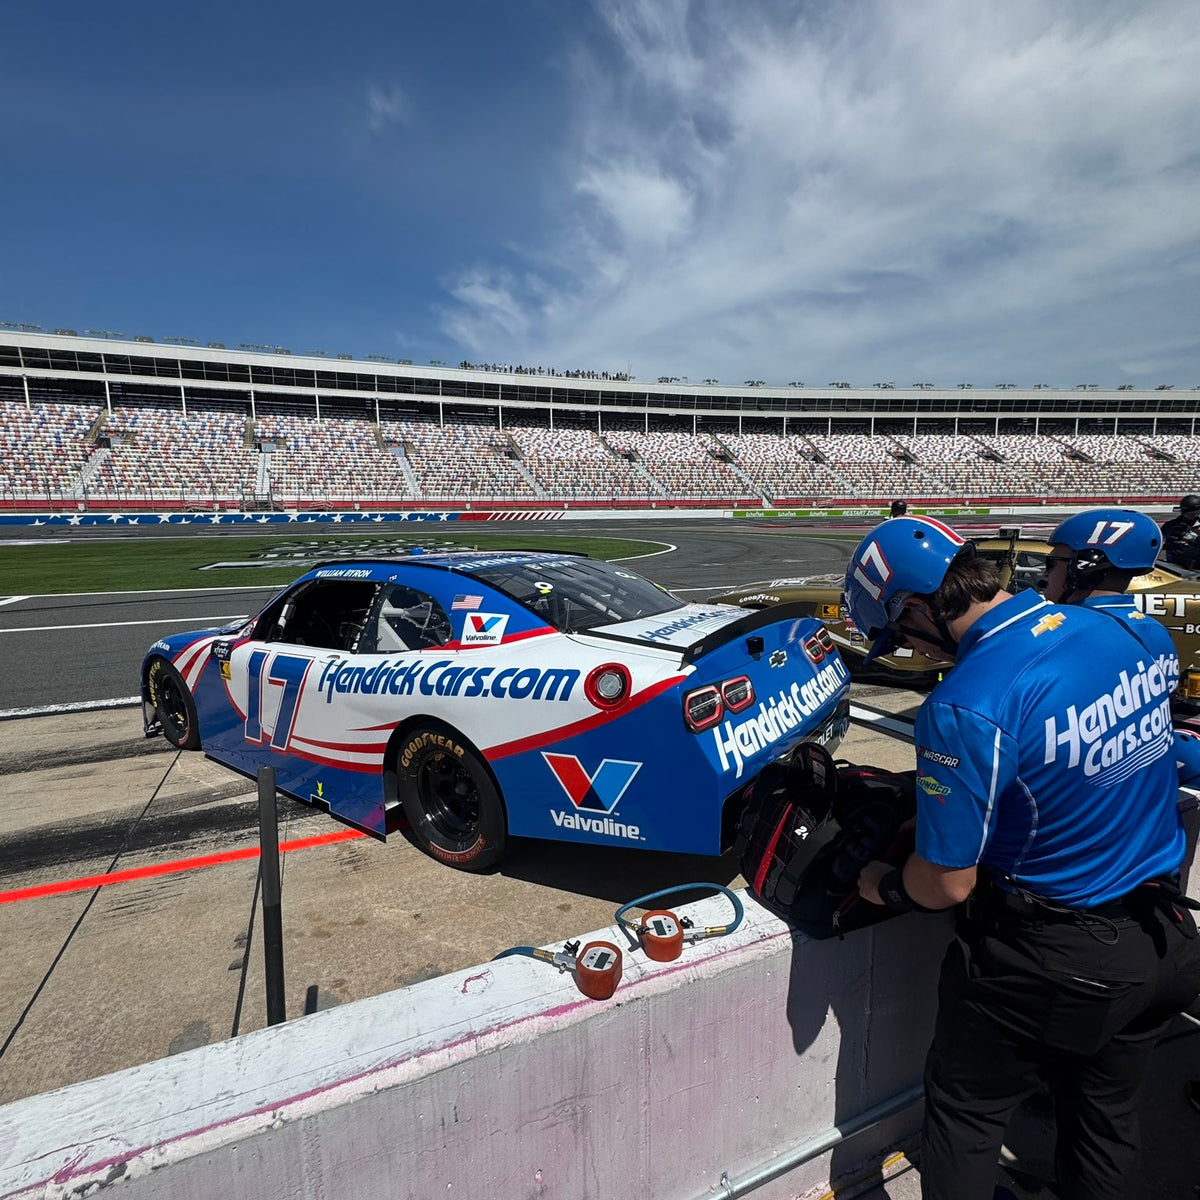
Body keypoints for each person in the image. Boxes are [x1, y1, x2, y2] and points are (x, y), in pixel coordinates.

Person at [844, 515, 1200, 1200]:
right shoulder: (1122, 629)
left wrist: (885, 884)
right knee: (1104, 1127)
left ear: (916, 607)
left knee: (965, 1118)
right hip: (1165, 938)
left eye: (900, 633)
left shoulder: (964, 704)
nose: (910, 649)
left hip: (1053, 962)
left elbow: (945, 885)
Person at [1161, 494, 1200, 570]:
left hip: (1197, 567)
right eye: (1188, 514)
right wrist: (1171, 542)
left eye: (1194, 513)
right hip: (1175, 567)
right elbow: (1160, 544)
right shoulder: (1170, 525)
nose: (1190, 516)